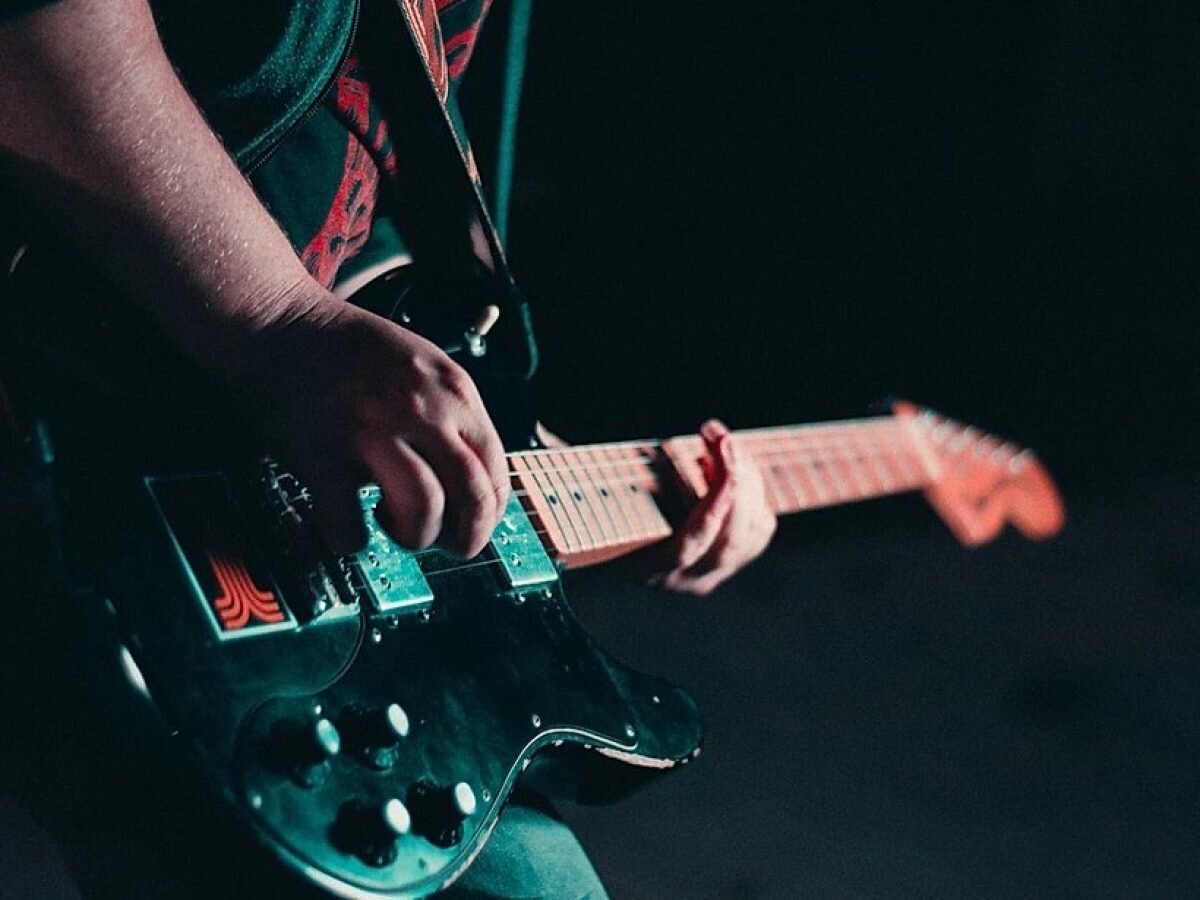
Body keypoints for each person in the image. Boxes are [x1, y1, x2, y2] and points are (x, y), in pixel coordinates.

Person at [0, 0, 778, 895]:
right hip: (96, 461)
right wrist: (278, 325)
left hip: (298, 556)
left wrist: (496, 458)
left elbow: (357, 183)